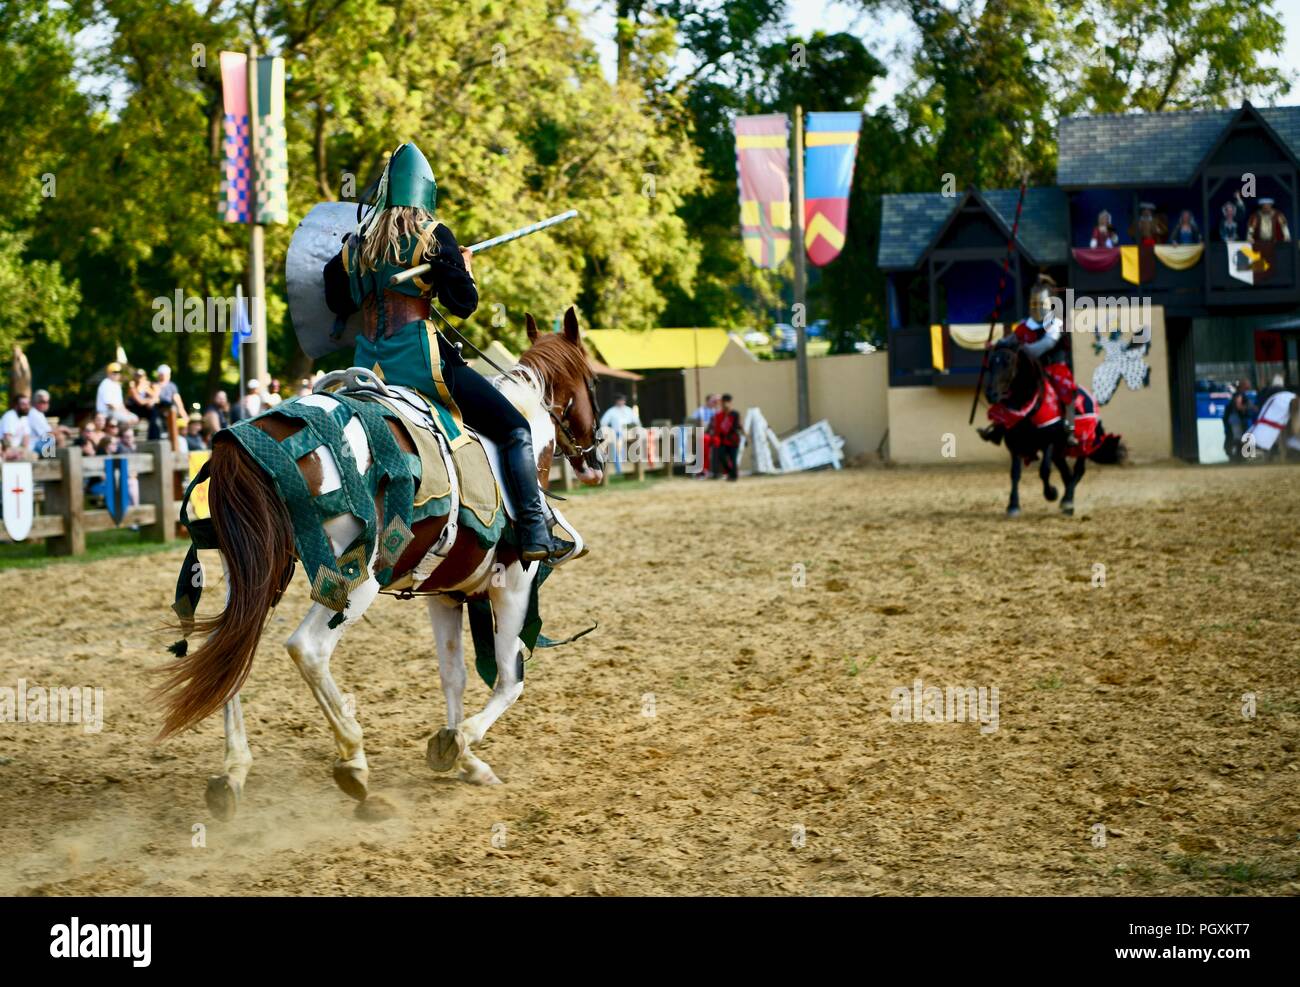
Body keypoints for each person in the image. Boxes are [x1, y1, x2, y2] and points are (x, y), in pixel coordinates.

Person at [323, 141, 569, 561]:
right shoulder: (434, 236)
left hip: (369, 367)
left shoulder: (353, 247)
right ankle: (533, 529)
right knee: (514, 429)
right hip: (420, 363)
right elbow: (464, 305)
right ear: (426, 193)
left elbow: (335, 302)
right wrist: (462, 270)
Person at [1012, 275, 1078, 444]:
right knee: (1009, 386)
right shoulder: (1025, 324)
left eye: (1040, 304)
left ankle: (1069, 427)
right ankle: (1004, 425)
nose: (1037, 308)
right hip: (1035, 368)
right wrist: (996, 344)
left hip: (1054, 367)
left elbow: (1048, 343)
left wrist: (1026, 351)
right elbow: (1011, 339)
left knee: (1066, 388)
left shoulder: (1055, 323)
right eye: (1033, 304)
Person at [707, 394, 744, 480]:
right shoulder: (719, 416)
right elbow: (717, 429)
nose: (725, 405)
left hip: (733, 440)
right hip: (723, 441)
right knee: (721, 456)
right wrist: (715, 438)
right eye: (723, 403)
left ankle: (733, 476)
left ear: (730, 403)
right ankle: (730, 472)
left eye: (727, 402)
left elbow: (738, 426)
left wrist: (744, 435)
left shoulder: (735, 414)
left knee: (733, 459)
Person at [96, 362, 138, 427]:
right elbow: (109, 404)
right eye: (114, 372)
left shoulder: (117, 385)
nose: (116, 374)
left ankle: (125, 435)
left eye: (118, 372)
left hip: (116, 411)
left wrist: (126, 411)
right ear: (108, 373)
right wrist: (122, 412)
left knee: (135, 418)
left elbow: (120, 404)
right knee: (128, 419)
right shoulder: (106, 384)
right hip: (106, 412)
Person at [152, 364, 186, 441]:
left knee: (172, 410)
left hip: (170, 410)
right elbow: (154, 399)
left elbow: (178, 401)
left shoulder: (172, 386)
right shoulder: (155, 385)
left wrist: (184, 414)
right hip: (158, 409)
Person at [1222, 390, 1255, 461]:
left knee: (1242, 444)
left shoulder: (1245, 410)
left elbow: (1250, 413)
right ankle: (1234, 458)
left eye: (1240, 399)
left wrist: (1243, 410)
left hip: (1242, 434)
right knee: (1231, 445)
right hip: (1232, 433)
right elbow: (1225, 420)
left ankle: (1241, 458)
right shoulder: (1230, 409)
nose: (1238, 401)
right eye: (1237, 399)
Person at [0, 393, 34, 459]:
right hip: (5, 448)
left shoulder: (24, 418)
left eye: (28, 404)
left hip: (17, 448)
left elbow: (26, 438)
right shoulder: (10, 416)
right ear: (16, 405)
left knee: (32, 455)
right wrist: (15, 452)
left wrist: (24, 450)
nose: (27, 407)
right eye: (23, 404)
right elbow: (7, 440)